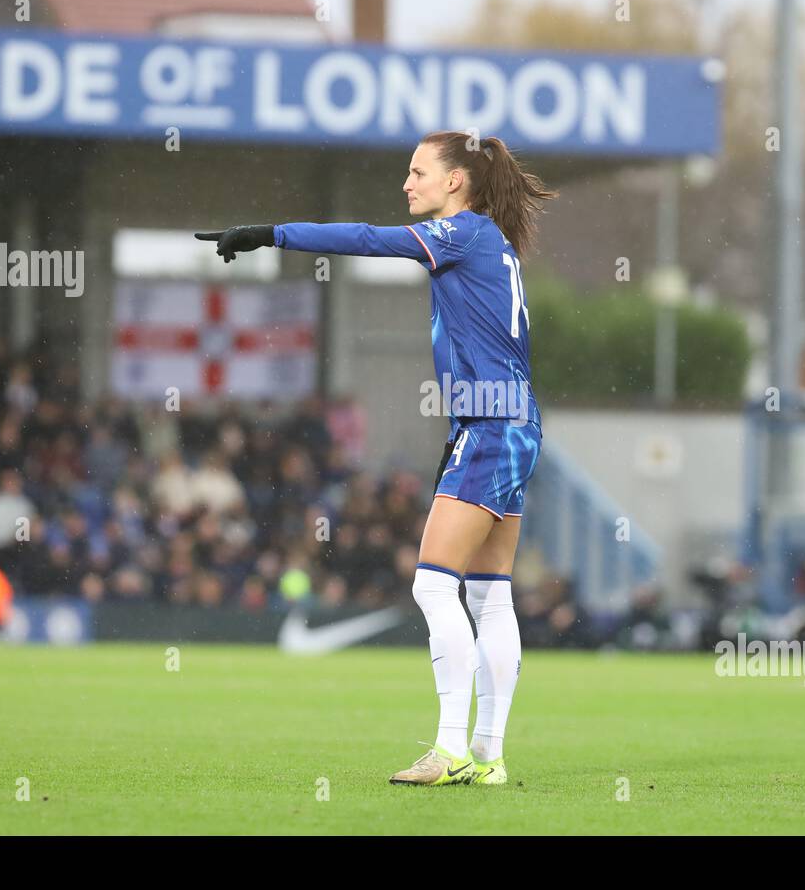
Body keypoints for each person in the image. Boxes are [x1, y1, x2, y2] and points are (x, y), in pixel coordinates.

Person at [196, 131, 556, 785]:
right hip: (515, 420)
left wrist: (270, 234)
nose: (407, 184)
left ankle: (449, 751)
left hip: (492, 424)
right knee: (489, 591)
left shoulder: (463, 234)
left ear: (456, 182)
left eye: (418, 172)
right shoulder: (491, 243)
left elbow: (366, 238)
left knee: (432, 583)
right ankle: (488, 756)